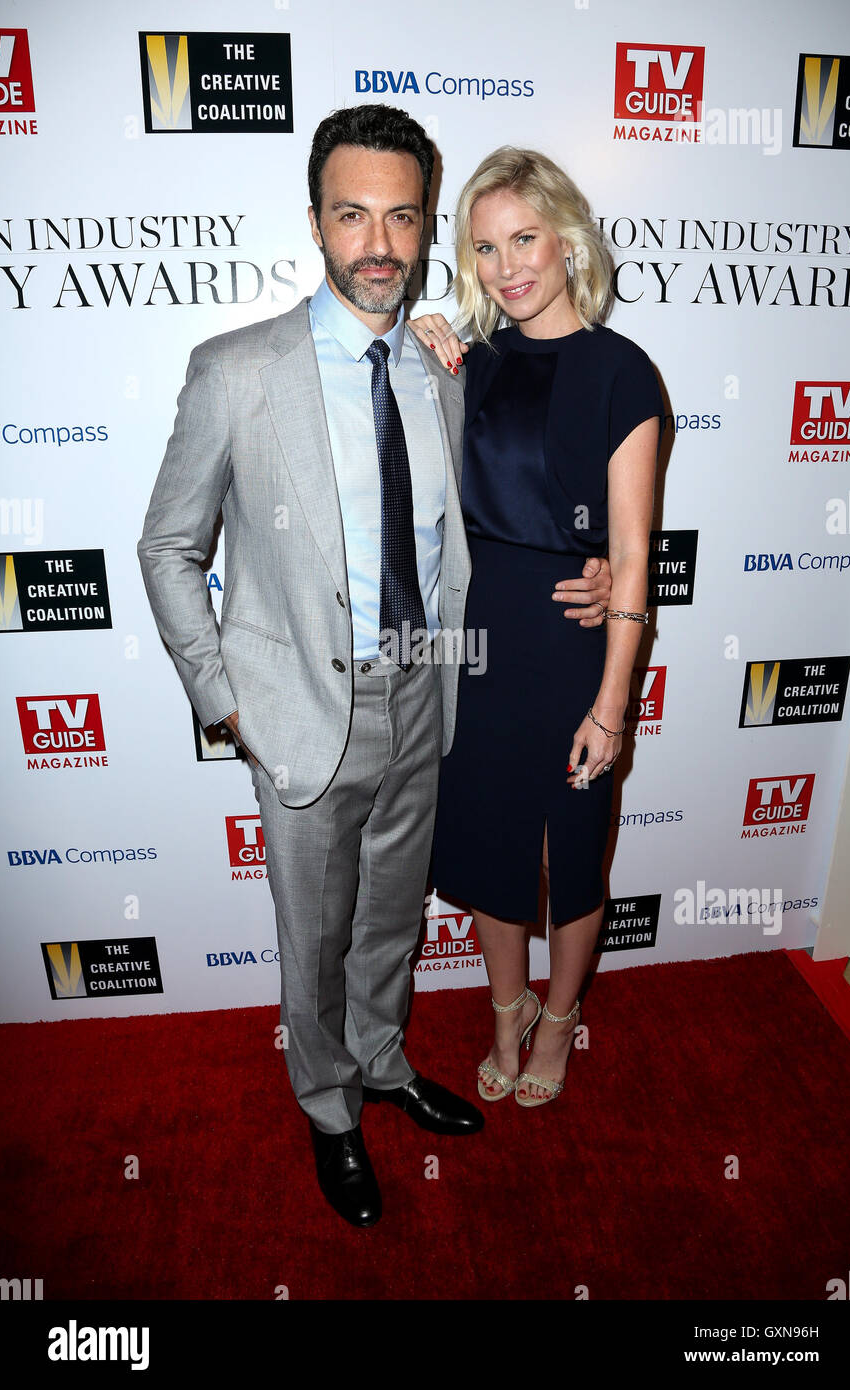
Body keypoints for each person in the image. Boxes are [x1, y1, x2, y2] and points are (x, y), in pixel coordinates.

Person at [138, 107, 613, 1229]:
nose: (378, 241)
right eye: (352, 214)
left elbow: (501, 513)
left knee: (391, 919)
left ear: (423, 227)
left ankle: (381, 1061)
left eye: (402, 215)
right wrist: (225, 700)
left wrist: (600, 571)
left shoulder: (448, 366)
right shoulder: (234, 371)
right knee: (314, 931)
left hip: (426, 693)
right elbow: (167, 547)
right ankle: (327, 1105)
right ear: (314, 222)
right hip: (297, 705)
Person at [408, 147, 662, 1108]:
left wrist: (612, 706)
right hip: (473, 646)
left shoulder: (621, 371)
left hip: (565, 648)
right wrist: (428, 344)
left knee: (567, 843)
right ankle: (504, 1011)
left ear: (565, 239)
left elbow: (631, 559)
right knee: (487, 842)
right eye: (484, 248)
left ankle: (558, 1021)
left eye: (523, 238)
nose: (507, 266)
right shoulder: (466, 364)